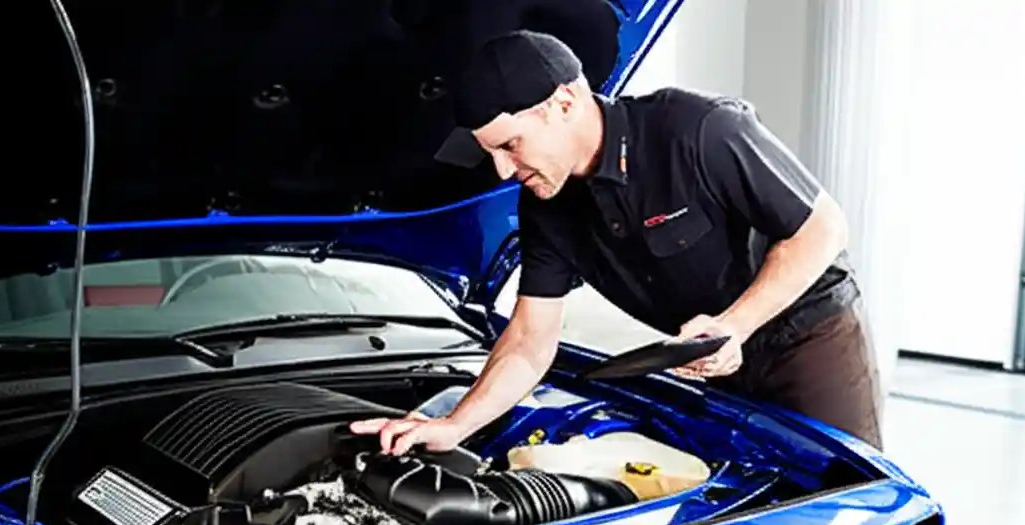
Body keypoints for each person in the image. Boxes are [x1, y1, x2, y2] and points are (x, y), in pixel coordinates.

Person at [351, 30, 883, 453]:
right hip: (707, 353)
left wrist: (733, 327)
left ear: (563, 103)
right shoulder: (547, 203)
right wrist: (455, 425)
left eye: (511, 145)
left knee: (847, 499)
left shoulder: (699, 130)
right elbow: (531, 338)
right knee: (755, 499)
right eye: (491, 153)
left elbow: (823, 227)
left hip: (807, 336)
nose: (504, 170)